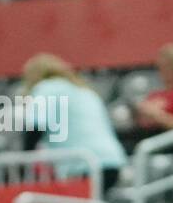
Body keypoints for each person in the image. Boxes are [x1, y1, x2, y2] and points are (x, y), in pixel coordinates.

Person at [19, 53, 127, 188]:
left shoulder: (46, 88)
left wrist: (22, 162)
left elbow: (35, 127)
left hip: (82, 164)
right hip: (111, 160)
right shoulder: (85, 91)